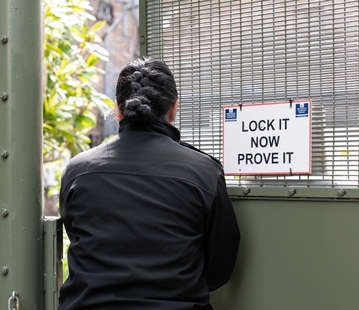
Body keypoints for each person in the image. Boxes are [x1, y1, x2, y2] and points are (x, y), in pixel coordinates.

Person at [58, 57, 240, 310]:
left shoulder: (78, 170)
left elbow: (76, 234)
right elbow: (219, 269)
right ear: (174, 109)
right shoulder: (204, 171)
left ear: (118, 110)